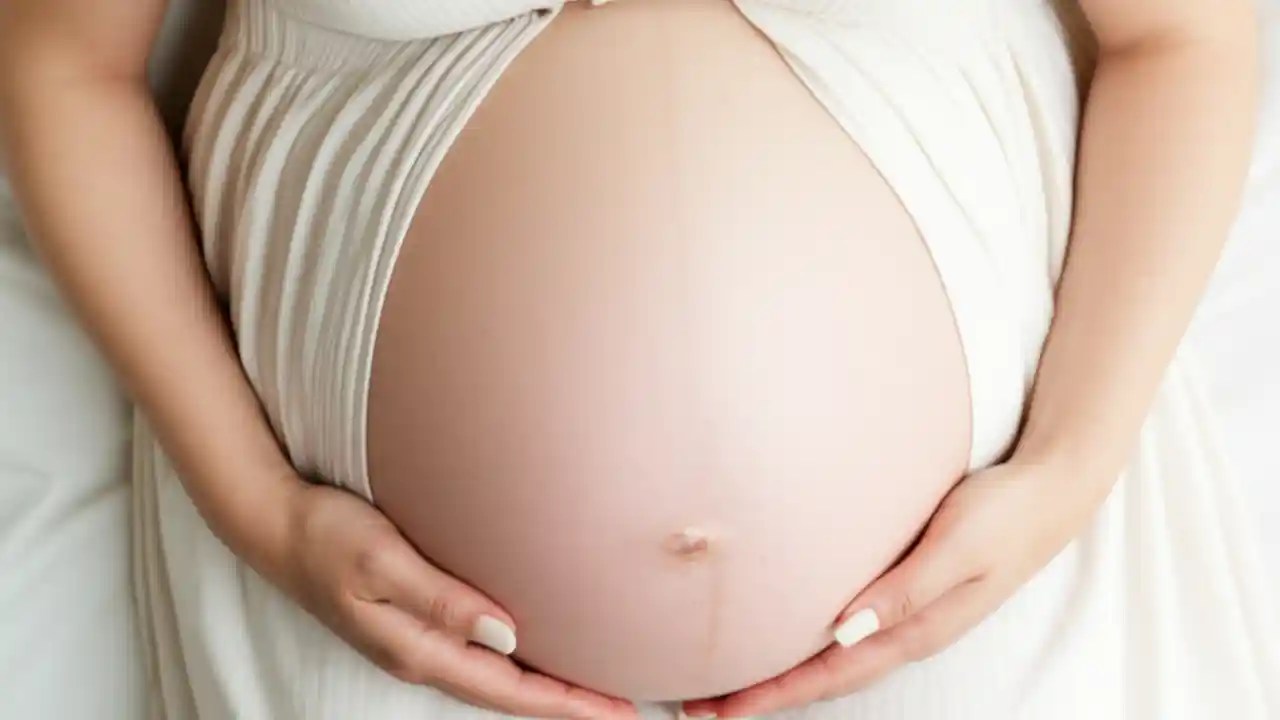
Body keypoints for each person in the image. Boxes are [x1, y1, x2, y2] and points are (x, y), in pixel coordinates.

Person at [0, 1, 1272, 718]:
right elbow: (64, 65)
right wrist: (257, 508)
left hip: (971, 581)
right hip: (369, 606)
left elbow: (1188, 38)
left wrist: (1066, 469)